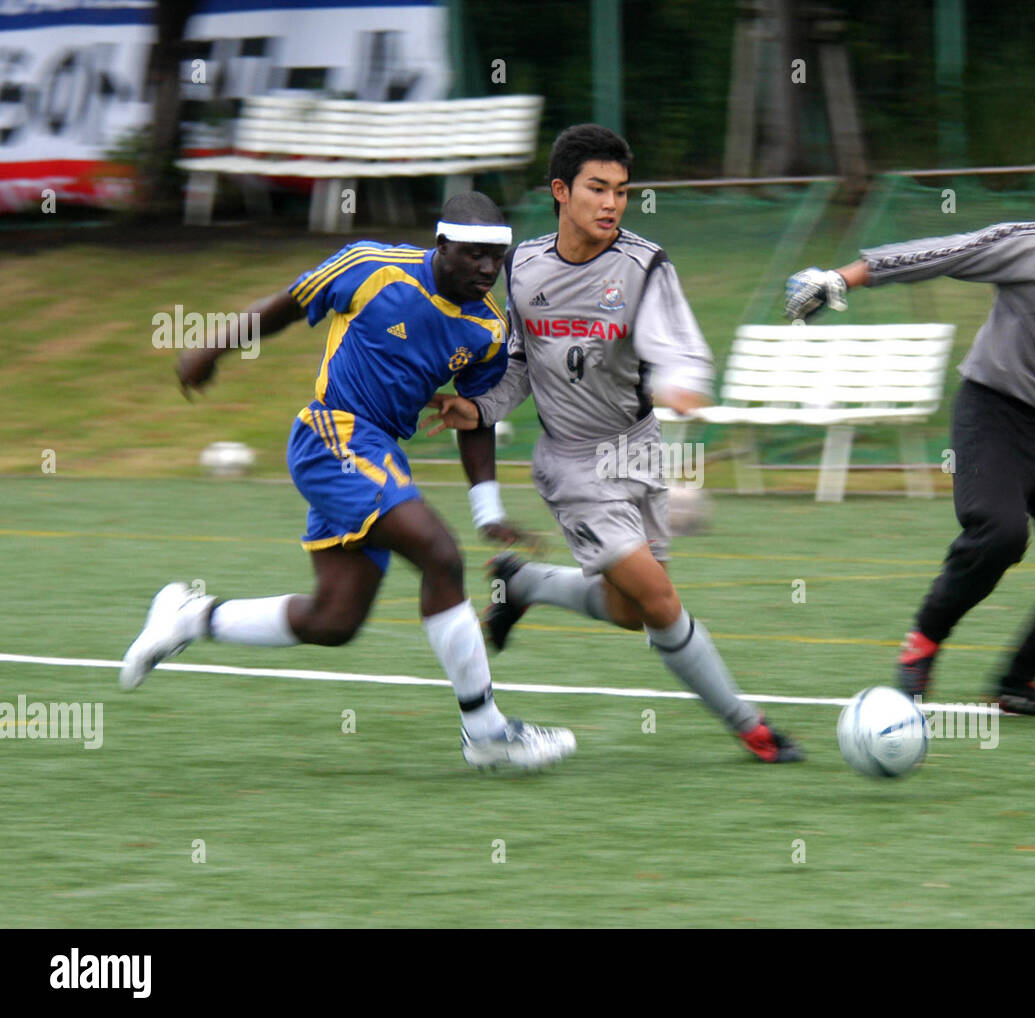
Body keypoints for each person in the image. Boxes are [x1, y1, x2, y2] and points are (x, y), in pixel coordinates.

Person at [120, 192, 577, 770]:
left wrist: (488, 509)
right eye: (474, 254)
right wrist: (212, 348)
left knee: (333, 620)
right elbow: (288, 305)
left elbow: (475, 417)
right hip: (331, 435)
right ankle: (485, 731)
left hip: (376, 457)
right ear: (441, 245)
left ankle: (191, 615)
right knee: (439, 554)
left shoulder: (487, 329)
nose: (488, 269)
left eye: (497, 257)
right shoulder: (371, 267)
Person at [784, 133, 1035, 715]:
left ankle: (1018, 682)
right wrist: (841, 278)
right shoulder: (1030, 246)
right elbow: (942, 252)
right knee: (1000, 534)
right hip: (990, 415)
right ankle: (922, 643)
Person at [428, 124, 803, 762]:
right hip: (573, 466)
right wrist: (481, 406)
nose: (611, 204)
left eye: (622, 192)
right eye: (597, 189)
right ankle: (752, 729)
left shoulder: (643, 265)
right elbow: (520, 364)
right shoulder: (522, 267)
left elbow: (674, 343)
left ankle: (523, 584)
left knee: (628, 610)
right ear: (560, 191)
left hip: (640, 451)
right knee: (660, 602)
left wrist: (684, 383)